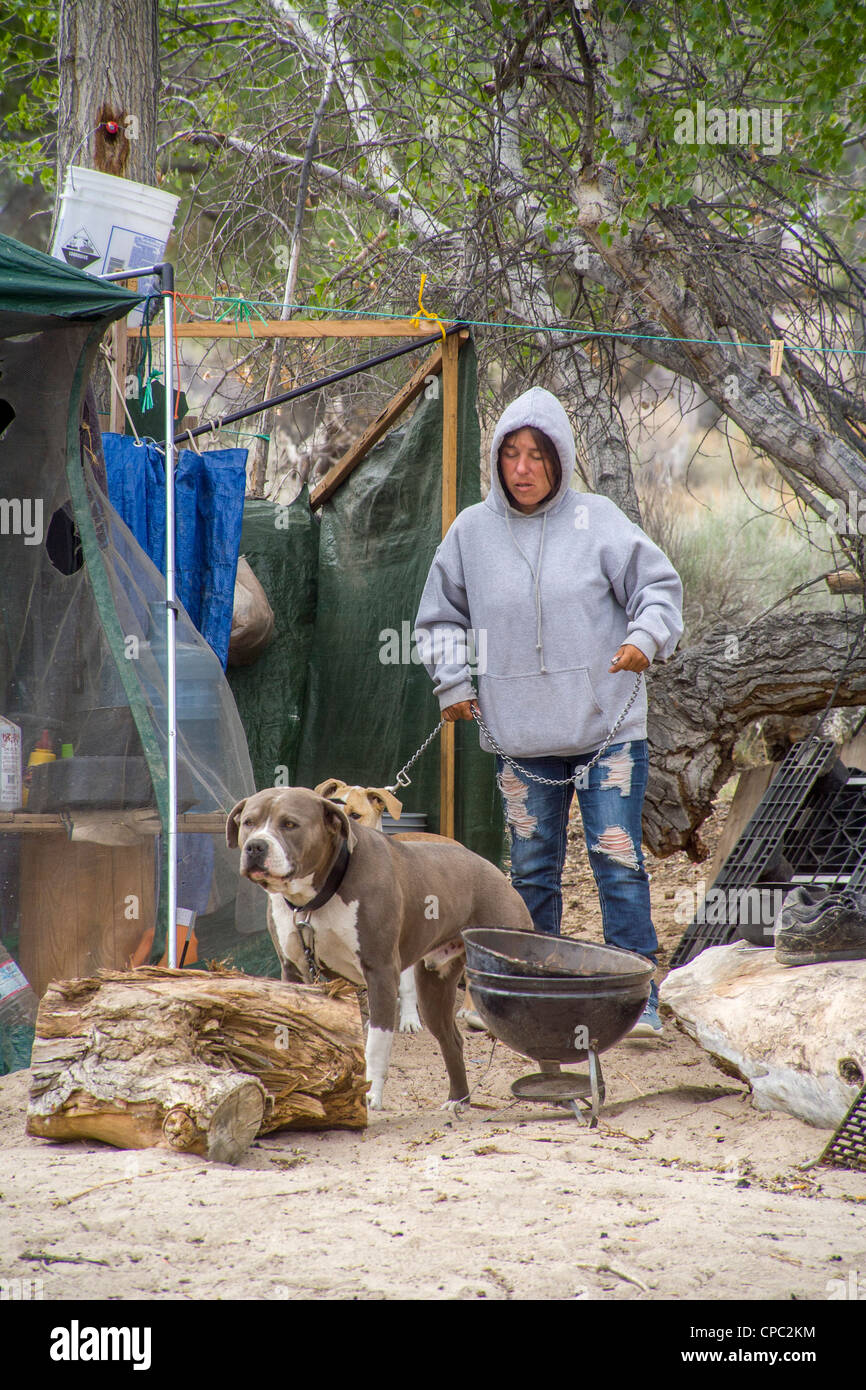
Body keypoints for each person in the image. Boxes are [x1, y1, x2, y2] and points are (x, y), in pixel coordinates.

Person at [414, 386, 684, 1036]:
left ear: (560, 458)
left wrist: (643, 641)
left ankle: (635, 1000)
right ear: (499, 461)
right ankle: (524, 994)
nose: (525, 467)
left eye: (538, 454)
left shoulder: (599, 519)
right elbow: (440, 617)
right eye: (512, 454)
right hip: (521, 736)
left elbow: (659, 588)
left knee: (616, 864)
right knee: (531, 871)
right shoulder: (471, 533)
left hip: (607, 730)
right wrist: (452, 682)